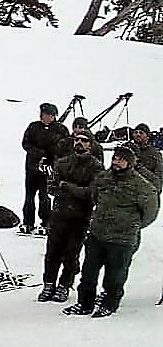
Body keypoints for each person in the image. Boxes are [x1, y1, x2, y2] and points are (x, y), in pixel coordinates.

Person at [64, 144, 158, 318]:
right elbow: (94, 196)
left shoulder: (142, 186)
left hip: (122, 239)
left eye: (121, 160)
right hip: (97, 234)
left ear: (130, 163)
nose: (116, 162)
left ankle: (110, 304)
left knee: (115, 276)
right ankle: (84, 303)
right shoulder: (103, 178)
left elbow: (150, 213)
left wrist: (131, 226)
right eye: (115, 158)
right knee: (88, 273)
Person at [39, 130, 100, 303]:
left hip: (80, 218)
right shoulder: (62, 163)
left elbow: (91, 193)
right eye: (77, 140)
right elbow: (51, 187)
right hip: (59, 215)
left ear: (90, 144)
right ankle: (48, 283)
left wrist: (66, 186)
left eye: (84, 140)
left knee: (71, 254)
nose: (79, 143)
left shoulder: (96, 167)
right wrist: (71, 189)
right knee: (52, 253)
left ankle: (64, 285)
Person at [20, 103, 69, 235]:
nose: (46, 117)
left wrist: (51, 157)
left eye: (49, 115)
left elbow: (64, 148)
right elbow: (26, 143)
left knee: (45, 196)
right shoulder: (33, 127)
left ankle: (45, 222)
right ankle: (27, 222)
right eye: (44, 115)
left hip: (49, 169)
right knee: (29, 196)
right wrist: (38, 153)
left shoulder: (60, 129)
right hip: (32, 167)